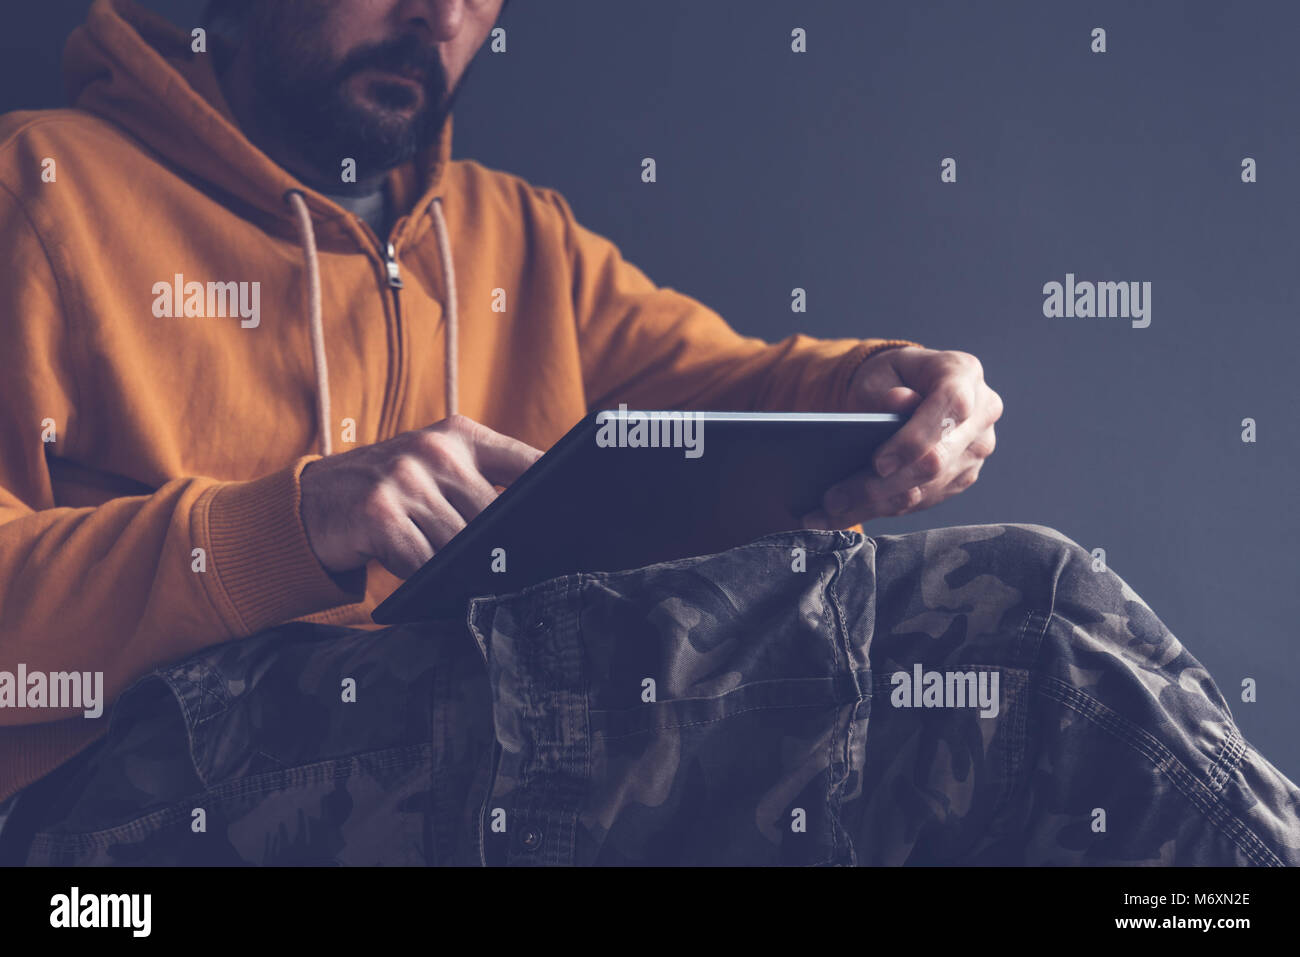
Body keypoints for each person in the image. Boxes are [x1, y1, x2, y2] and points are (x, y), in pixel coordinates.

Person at [0, 0, 1294, 866]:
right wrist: (291, 522)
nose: (439, 18)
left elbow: (721, 389)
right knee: (1014, 631)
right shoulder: (38, 192)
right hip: (131, 817)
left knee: (1037, 666)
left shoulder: (515, 240)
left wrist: (897, 391)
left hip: (460, 763)